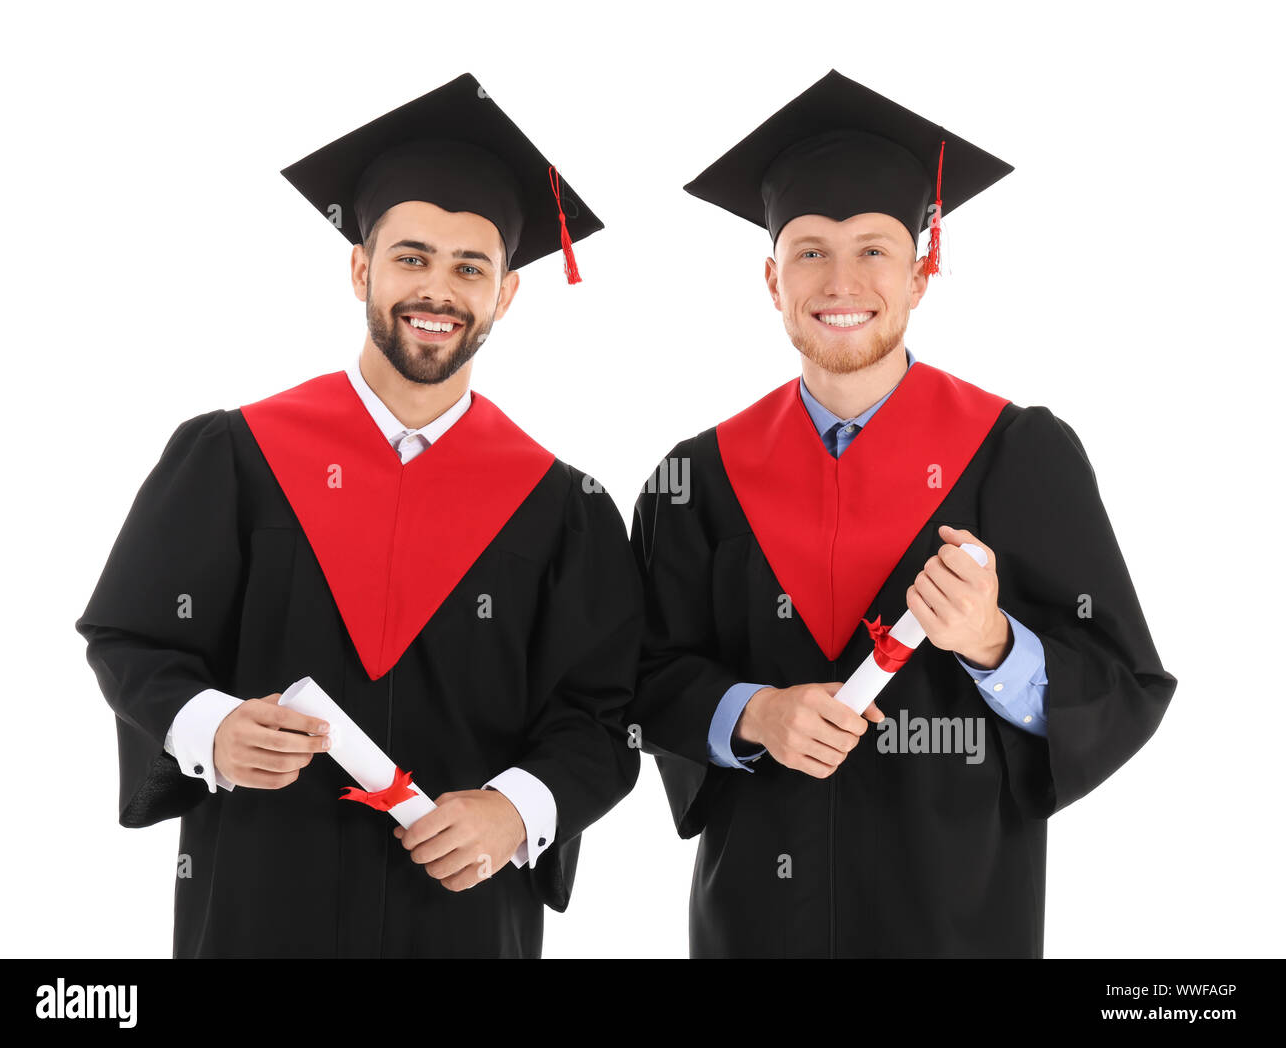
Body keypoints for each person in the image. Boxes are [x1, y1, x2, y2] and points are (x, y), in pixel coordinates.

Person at [75, 72, 641, 958]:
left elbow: (603, 720)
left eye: (470, 266)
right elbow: (132, 642)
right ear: (360, 267)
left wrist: (517, 809)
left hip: (462, 913)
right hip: (258, 902)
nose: (438, 290)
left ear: (506, 294)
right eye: (411, 257)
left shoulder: (564, 508)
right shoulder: (234, 456)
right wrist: (208, 727)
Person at [627, 69, 1177, 958]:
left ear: (923, 270)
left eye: (875, 249)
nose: (841, 280)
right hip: (758, 923)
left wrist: (994, 640)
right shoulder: (695, 477)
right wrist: (752, 714)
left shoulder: (1019, 453)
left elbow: (1123, 684)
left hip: (960, 919)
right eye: (809, 250)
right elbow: (633, 681)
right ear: (772, 279)